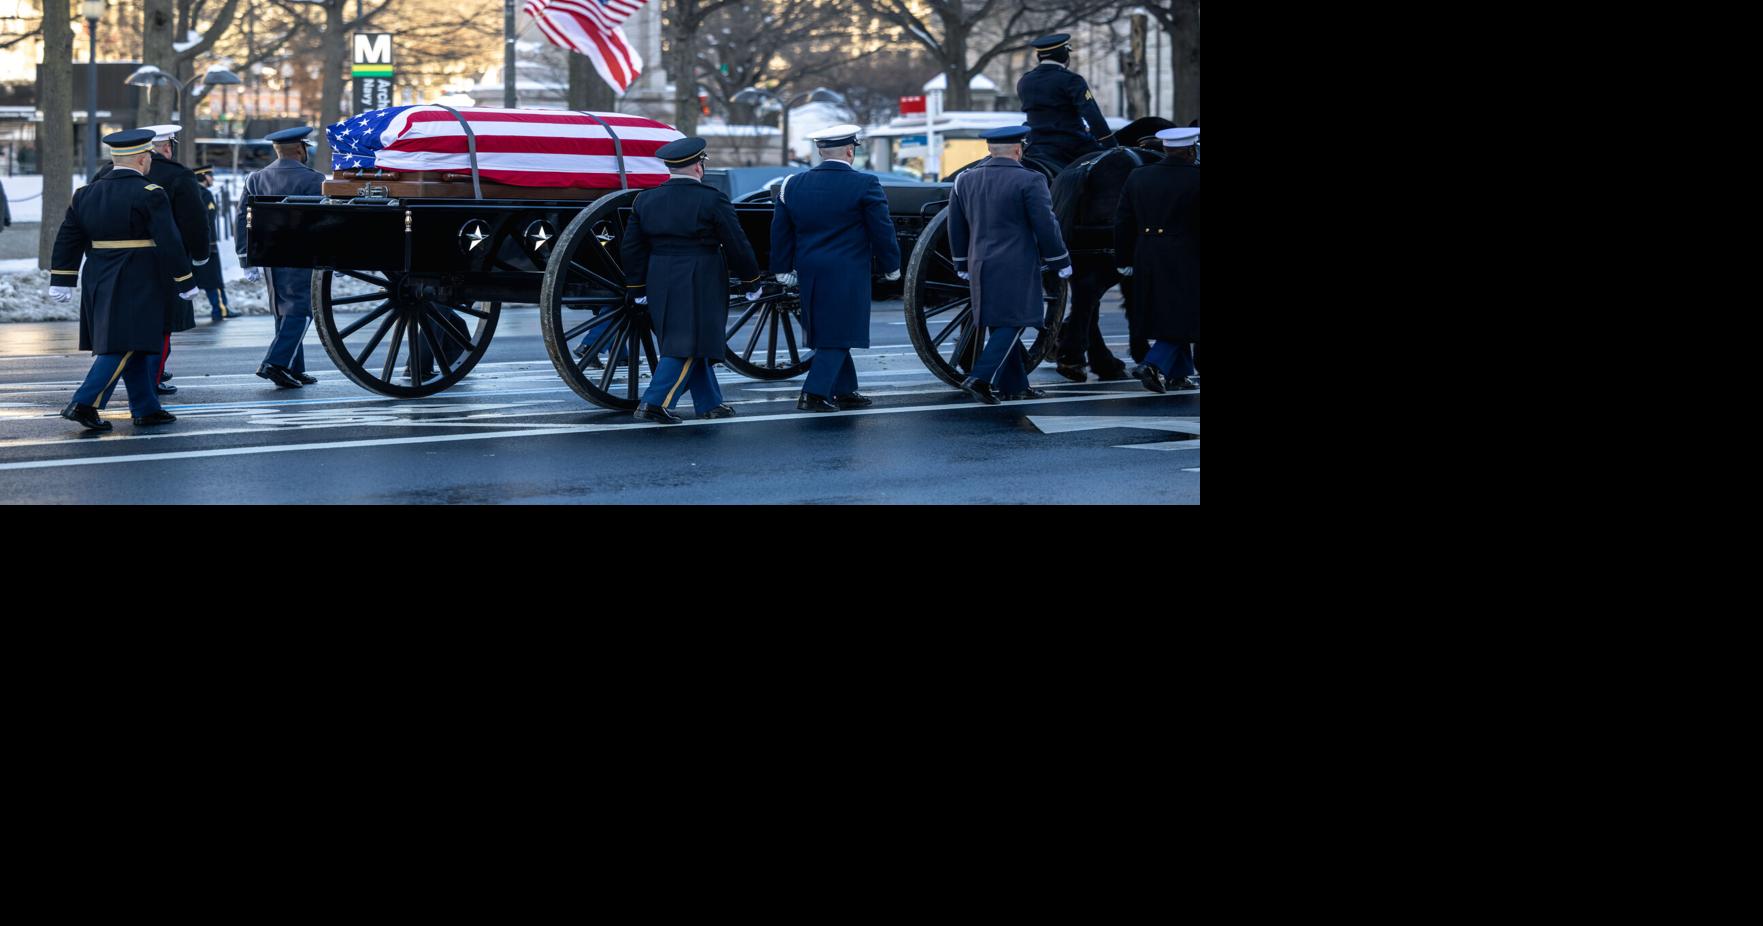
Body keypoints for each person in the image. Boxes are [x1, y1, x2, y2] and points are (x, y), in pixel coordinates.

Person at [48, 129, 199, 430]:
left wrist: (62, 278)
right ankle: (84, 403)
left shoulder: (85, 193)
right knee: (125, 343)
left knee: (140, 342)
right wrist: (185, 279)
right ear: (143, 159)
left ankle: (145, 407)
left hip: (99, 273)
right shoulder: (150, 192)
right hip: (139, 274)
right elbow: (168, 239)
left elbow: (68, 237)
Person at [620, 137, 763, 424]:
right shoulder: (712, 199)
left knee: (689, 336)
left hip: (659, 273)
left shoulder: (645, 200)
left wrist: (637, 286)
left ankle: (710, 402)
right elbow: (736, 243)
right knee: (687, 342)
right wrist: (751, 279)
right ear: (698, 166)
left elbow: (631, 247)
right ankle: (654, 402)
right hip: (701, 273)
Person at [769, 124, 901, 412]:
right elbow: (881, 229)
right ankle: (814, 393)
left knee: (829, 329)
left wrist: (781, 267)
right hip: (847, 269)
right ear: (850, 151)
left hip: (809, 269)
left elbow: (781, 231)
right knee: (841, 332)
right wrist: (891, 264)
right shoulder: (865, 184)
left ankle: (845, 389)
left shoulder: (792, 184)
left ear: (820, 151)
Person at [946, 125, 1072, 404]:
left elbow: (956, 225)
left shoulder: (965, 180)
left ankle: (1014, 384)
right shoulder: (1030, 179)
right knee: (1016, 320)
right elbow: (1045, 225)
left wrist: (961, 262)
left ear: (990, 149)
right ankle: (980, 378)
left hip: (980, 262)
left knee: (998, 320)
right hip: (1015, 264)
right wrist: (1059, 259)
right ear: (1019, 149)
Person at [93, 124, 209, 394]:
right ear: (166, 147)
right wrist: (200, 256)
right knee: (160, 328)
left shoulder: (103, 174)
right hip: (166, 263)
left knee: (124, 330)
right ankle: (148, 383)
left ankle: (141, 394)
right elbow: (194, 221)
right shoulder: (178, 174)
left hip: (111, 263)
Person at [236, 126, 325, 388]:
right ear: (300, 149)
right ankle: (275, 363)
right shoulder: (313, 179)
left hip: (269, 254)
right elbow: (321, 222)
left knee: (283, 310)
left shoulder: (256, 178)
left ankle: (294, 368)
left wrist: (245, 256)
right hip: (301, 254)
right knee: (300, 311)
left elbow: (243, 218)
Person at [1116, 127, 1201, 393]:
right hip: (1188, 253)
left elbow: (1123, 220)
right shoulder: (1196, 177)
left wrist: (1123, 258)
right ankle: (1153, 363)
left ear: (1165, 148)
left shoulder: (1139, 175)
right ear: (1190, 150)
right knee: (1188, 314)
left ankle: (1179, 372)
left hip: (1147, 253)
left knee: (1171, 311)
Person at [1016, 33, 1117, 170]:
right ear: (1064, 55)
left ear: (1039, 56)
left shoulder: (1025, 80)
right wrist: (1111, 144)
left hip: (1034, 143)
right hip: (1071, 144)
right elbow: (1092, 115)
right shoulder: (1072, 80)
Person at [191, 164, 234, 320]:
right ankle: (220, 309)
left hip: (189, 245)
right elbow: (207, 220)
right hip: (207, 245)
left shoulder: (188, 193)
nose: (212, 178)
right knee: (213, 280)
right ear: (203, 176)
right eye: (210, 175)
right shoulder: (205, 194)